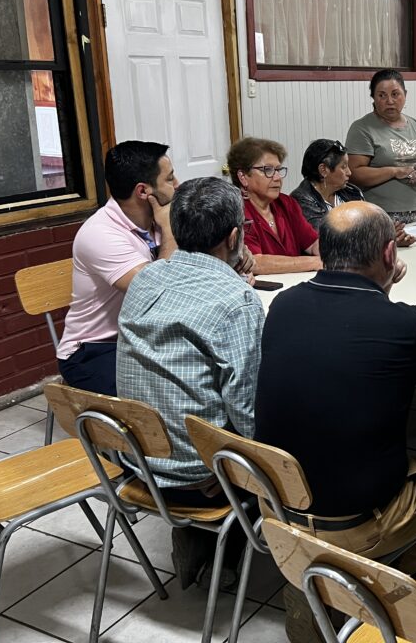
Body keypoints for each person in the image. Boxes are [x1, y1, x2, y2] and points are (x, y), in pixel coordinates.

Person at [255, 201, 416, 642]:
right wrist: (389, 301)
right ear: (390, 255)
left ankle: (323, 589)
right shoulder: (408, 324)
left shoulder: (283, 304)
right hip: (351, 524)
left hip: (276, 510)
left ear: (323, 249)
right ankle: (397, 585)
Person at [116, 177, 264, 588]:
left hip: (134, 460)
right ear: (234, 237)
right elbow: (247, 411)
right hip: (200, 478)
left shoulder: (146, 277)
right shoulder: (237, 300)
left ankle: (197, 540)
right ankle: (227, 549)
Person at [56, 141, 180, 396]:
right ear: (144, 191)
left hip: (141, 337)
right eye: (169, 179)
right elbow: (155, 295)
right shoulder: (100, 234)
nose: (177, 184)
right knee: (174, 388)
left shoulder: (155, 220)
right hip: (94, 349)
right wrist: (169, 230)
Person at [346, 69, 416, 224]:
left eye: (395, 94)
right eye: (382, 95)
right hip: (380, 216)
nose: (389, 101)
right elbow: (354, 174)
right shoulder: (362, 128)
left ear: (405, 94)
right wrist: (395, 171)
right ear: (373, 98)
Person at [291, 138, 416, 246]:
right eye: (343, 167)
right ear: (323, 170)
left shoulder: (351, 192)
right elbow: (326, 240)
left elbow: (369, 226)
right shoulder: (301, 200)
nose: (349, 173)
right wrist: (380, 238)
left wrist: (390, 237)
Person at [227, 137, 322, 275]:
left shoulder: (286, 203)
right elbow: (255, 262)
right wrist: (315, 262)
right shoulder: (236, 210)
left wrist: (333, 255)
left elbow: (312, 244)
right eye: (268, 170)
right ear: (243, 177)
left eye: (278, 169)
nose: (277, 177)